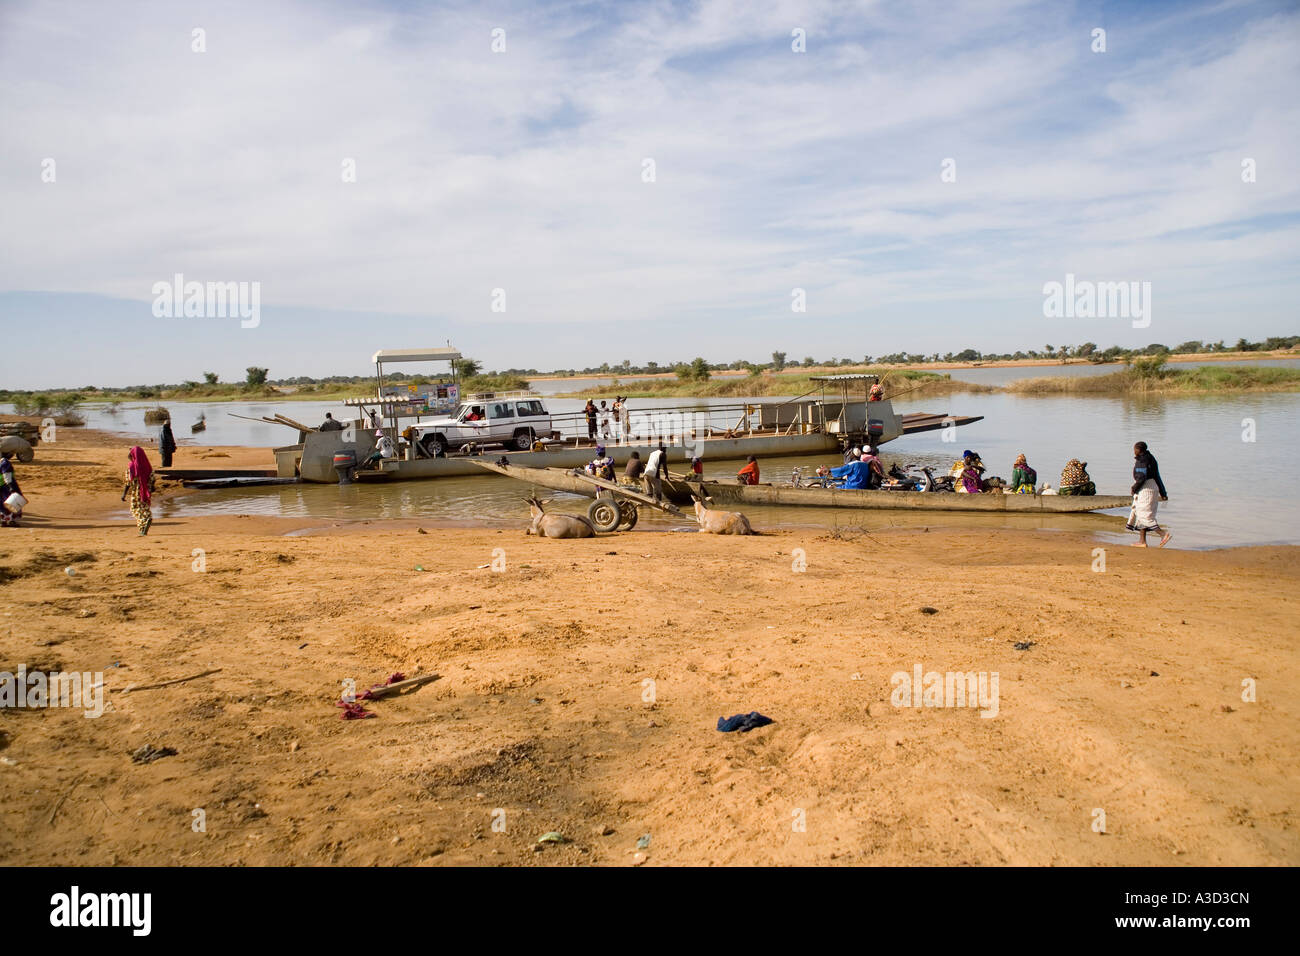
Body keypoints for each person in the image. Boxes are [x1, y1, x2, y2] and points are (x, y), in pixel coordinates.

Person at [1126, 441, 1171, 547]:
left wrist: (1134, 488)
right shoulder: (1151, 458)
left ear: (1138, 450)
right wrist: (1163, 492)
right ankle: (1142, 541)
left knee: (1144, 515)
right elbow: (1157, 476)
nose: (1134, 452)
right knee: (1141, 513)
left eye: (1134, 449)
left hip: (1146, 490)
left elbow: (1141, 477)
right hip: (1152, 487)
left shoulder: (1142, 460)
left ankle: (1163, 534)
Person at [122, 446, 155, 536]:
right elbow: (152, 478)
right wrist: (151, 487)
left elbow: (128, 482)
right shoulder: (147, 465)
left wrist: (124, 494)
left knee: (135, 508)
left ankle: (143, 525)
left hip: (136, 492)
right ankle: (146, 519)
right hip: (146, 490)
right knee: (144, 506)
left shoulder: (131, 467)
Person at [1, 449, 24, 526]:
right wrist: (11, 487)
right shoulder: (5, 462)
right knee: (12, 503)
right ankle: (11, 520)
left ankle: (3, 520)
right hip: (6, 486)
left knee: (1, 503)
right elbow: (6, 476)